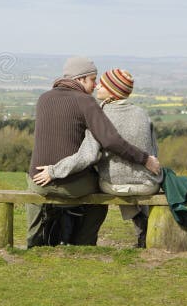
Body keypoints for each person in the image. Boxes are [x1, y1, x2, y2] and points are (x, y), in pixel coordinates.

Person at [26, 57, 161, 248]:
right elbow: (110, 140)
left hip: (38, 180)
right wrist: (144, 159)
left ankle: (33, 241)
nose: (95, 84)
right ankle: (84, 243)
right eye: (92, 79)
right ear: (80, 79)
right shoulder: (86, 102)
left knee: (32, 187)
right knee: (99, 195)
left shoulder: (43, 98)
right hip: (71, 184)